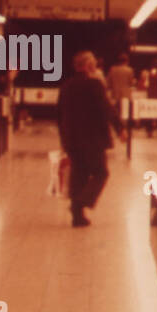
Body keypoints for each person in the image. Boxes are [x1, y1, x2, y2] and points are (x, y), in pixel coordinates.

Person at [57, 50, 115, 227]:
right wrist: (120, 128)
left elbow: (59, 115)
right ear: (89, 66)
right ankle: (82, 201)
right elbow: (106, 109)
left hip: (72, 139)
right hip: (93, 139)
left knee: (79, 174)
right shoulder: (95, 85)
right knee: (101, 173)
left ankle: (77, 215)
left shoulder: (66, 86)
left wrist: (64, 138)